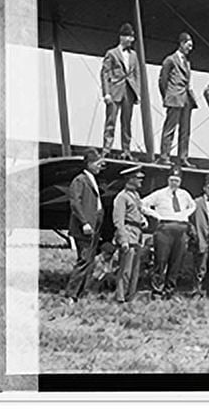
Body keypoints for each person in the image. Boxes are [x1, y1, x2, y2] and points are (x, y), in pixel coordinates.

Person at [142, 165, 196, 299]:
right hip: (165, 228)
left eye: (176, 181)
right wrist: (156, 215)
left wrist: (185, 214)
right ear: (168, 180)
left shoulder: (184, 194)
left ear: (180, 181)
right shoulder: (160, 194)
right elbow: (142, 204)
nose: (174, 183)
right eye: (172, 180)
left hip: (181, 229)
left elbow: (193, 206)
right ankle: (157, 291)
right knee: (161, 260)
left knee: (176, 261)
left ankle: (169, 291)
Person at [64, 149, 106, 303]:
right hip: (85, 228)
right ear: (89, 164)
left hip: (94, 226)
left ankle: (80, 293)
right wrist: (84, 222)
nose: (100, 166)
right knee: (84, 260)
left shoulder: (92, 179)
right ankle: (70, 295)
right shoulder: (80, 180)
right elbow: (75, 203)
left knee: (89, 261)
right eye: (98, 163)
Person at [100, 23, 140, 160]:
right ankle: (106, 149)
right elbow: (105, 73)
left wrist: (137, 93)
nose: (131, 40)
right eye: (128, 37)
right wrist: (106, 93)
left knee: (127, 122)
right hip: (115, 91)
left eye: (132, 37)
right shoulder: (111, 53)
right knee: (111, 121)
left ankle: (126, 150)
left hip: (129, 91)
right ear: (122, 37)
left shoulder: (134, 55)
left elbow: (136, 74)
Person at [158, 32, 198, 167]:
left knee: (185, 130)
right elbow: (163, 80)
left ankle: (183, 157)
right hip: (174, 97)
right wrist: (168, 95)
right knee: (170, 128)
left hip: (186, 99)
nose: (190, 49)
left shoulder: (187, 62)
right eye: (188, 45)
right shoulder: (170, 60)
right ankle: (164, 156)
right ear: (182, 43)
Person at [111, 165, 148, 303]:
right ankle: (120, 297)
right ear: (130, 179)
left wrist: (143, 221)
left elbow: (138, 212)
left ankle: (130, 296)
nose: (141, 180)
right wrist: (123, 240)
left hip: (137, 235)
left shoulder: (136, 195)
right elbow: (118, 221)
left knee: (135, 270)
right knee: (125, 270)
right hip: (128, 234)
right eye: (138, 178)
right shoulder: (122, 197)